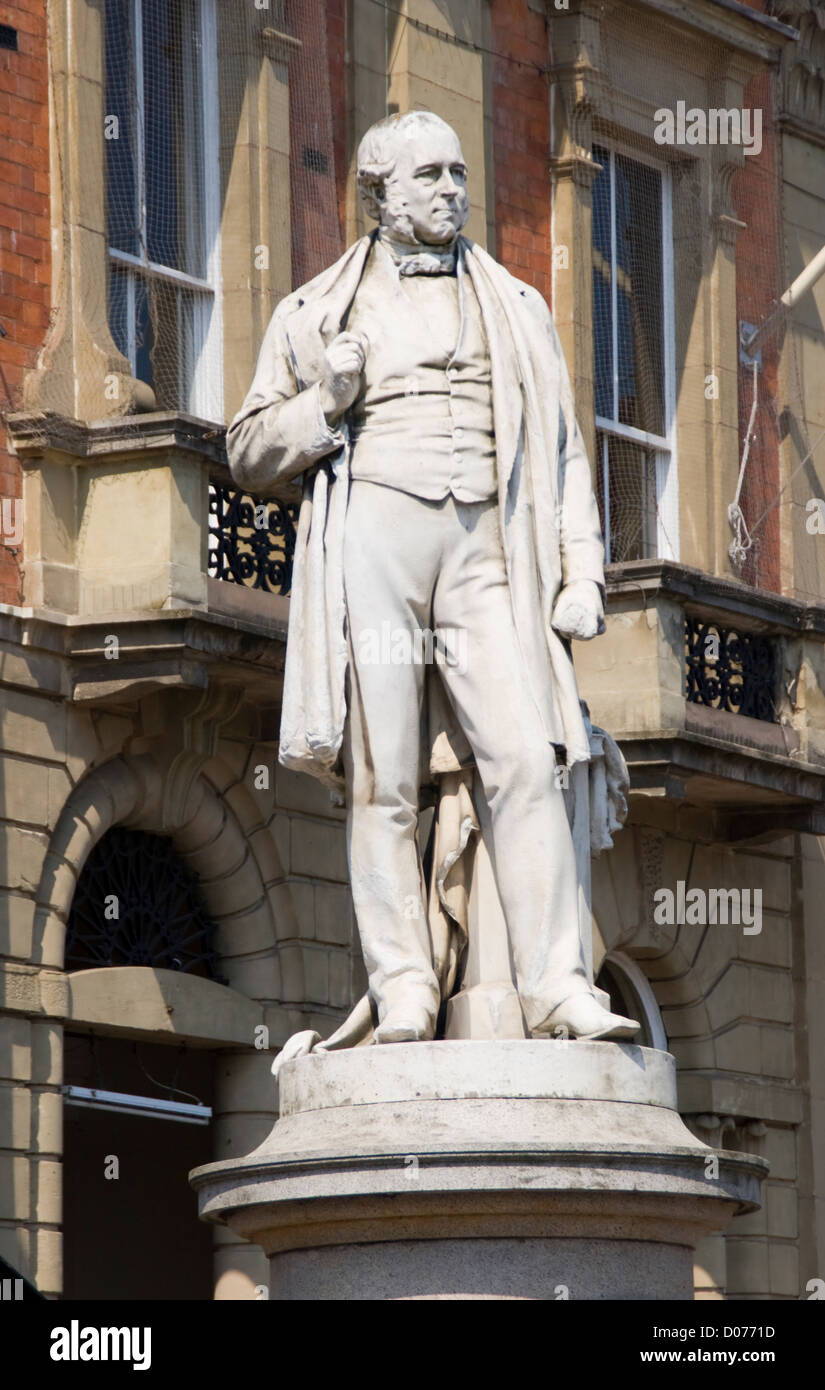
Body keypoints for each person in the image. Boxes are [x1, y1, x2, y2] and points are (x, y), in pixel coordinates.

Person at [227, 110, 639, 1045]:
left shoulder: (516, 305)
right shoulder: (315, 311)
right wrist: (326, 400)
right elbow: (248, 450)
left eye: (458, 172)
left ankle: (556, 984)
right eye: (430, 176)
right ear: (379, 193)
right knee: (384, 776)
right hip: (378, 533)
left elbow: (561, 451)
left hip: (487, 546)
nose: (452, 190)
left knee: (527, 758)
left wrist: (582, 574)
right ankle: (404, 986)